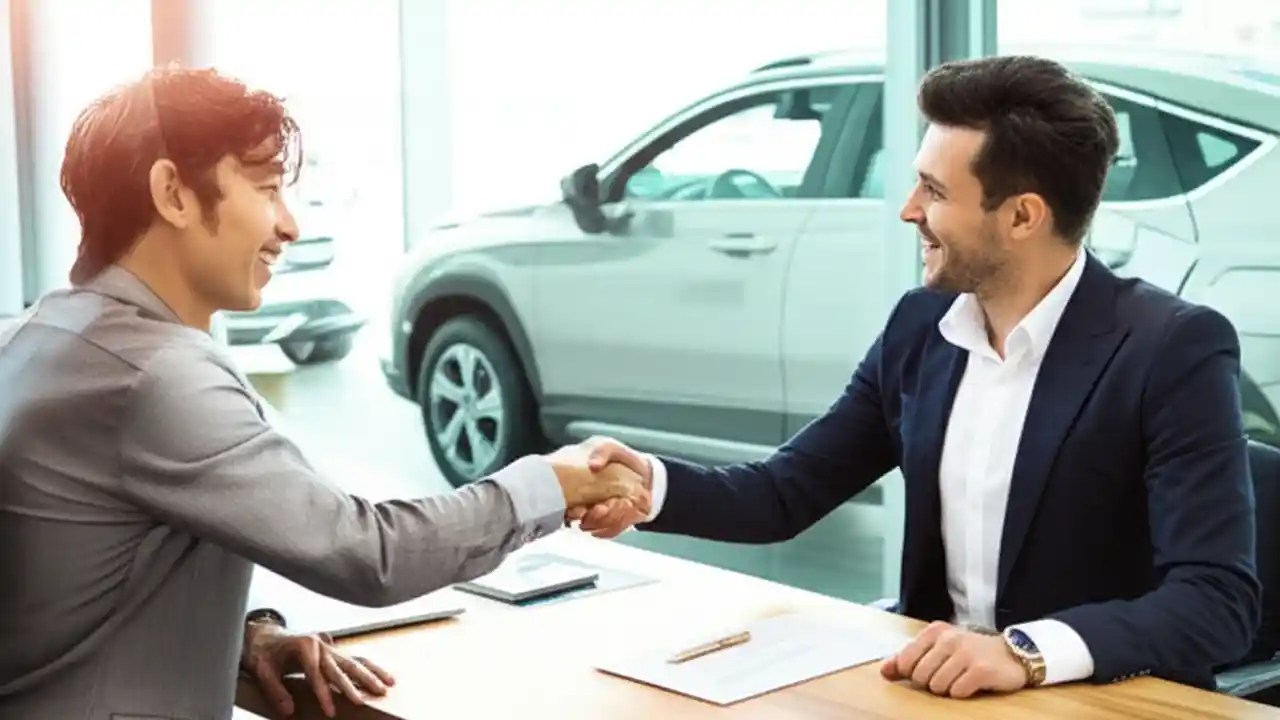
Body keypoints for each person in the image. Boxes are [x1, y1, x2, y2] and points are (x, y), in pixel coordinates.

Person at [566, 55, 1260, 697]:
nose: (908, 210)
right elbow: (786, 492)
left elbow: (1213, 603)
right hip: (942, 697)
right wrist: (646, 485)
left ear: (1022, 216)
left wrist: (1023, 653)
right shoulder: (921, 328)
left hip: (1103, 700)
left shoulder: (1172, 348)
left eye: (932, 190)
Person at [0, 66, 649, 720]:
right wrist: (558, 485)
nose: (289, 226)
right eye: (266, 189)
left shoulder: (40, 337)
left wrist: (244, 636)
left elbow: (80, 584)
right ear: (173, 192)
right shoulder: (157, 373)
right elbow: (368, 554)